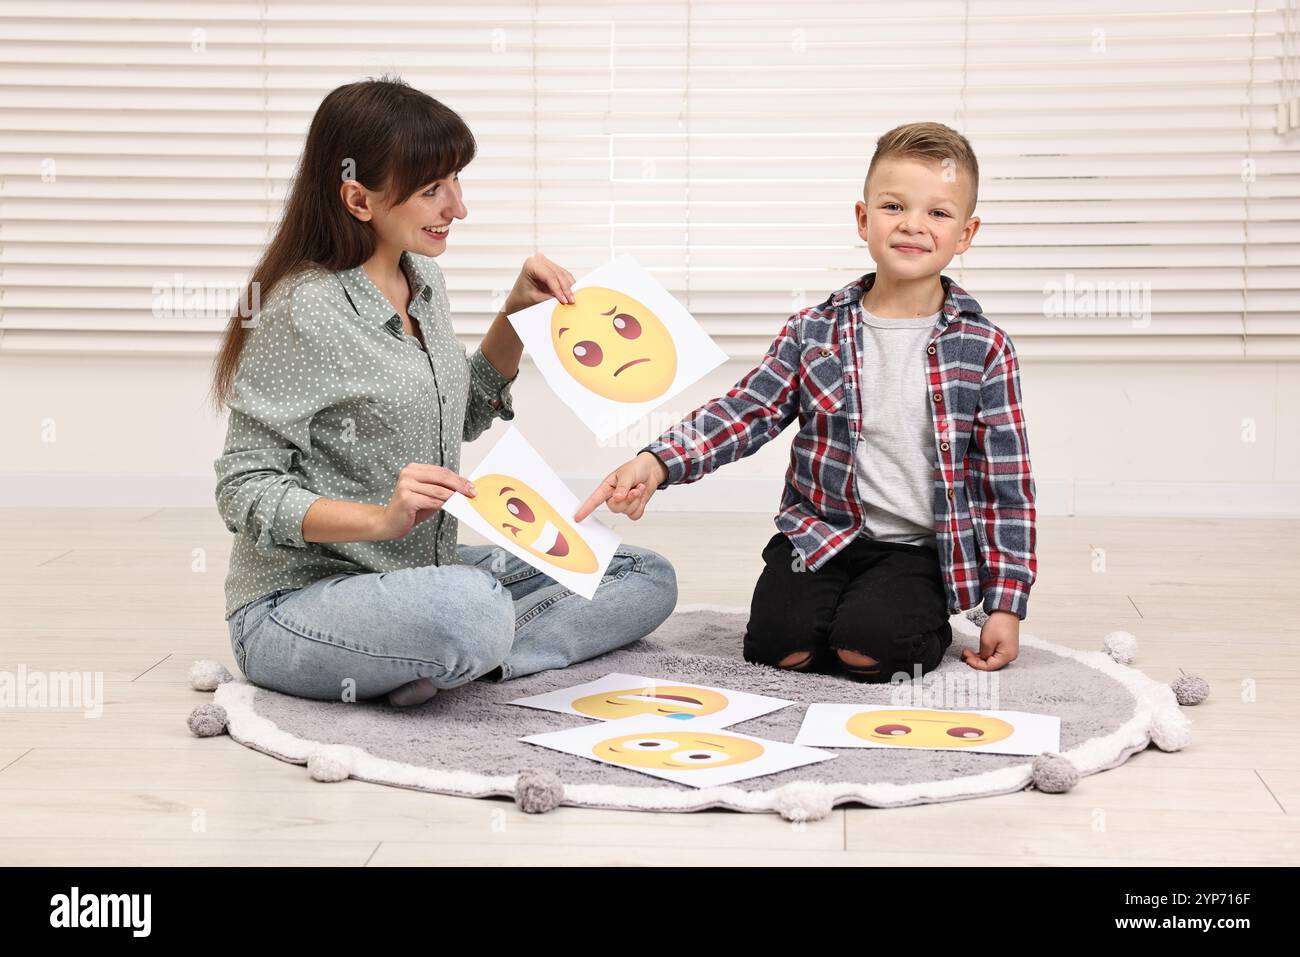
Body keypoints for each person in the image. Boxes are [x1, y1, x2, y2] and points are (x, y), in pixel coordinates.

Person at [210, 77, 677, 707]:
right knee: (471, 607)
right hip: (298, 604)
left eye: (456, 181)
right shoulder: (300, 310)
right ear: (358, 199)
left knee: (642, 576)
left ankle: (459, 660)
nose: (458, 208)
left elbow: (459, 414)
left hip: (422, 576)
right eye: (433, 190)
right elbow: (244, 490)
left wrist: (518, 312)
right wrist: (382, 519)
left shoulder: (421, 280)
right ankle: (465, 645)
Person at [576, 121, 1036, 682]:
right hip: (819, 536)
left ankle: (908, 612)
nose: (913, 224)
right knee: (779, 650)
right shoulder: (814, 331)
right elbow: (746, 411)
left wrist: (1006, 603)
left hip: (916, 550)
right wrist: (657, 461)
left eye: (938, 213)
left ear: (965, 233)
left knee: (869, 651)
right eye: (893, 206)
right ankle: (831, 606)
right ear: (865, 219)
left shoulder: (984, 348)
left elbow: (1005, 487)